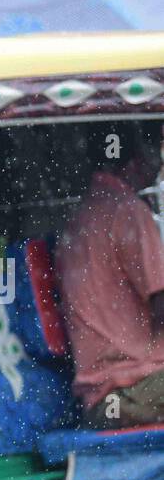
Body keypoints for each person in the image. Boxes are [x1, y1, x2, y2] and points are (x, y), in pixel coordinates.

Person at [56, 121, 164, 428]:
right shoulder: (128, 211)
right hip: (133, 390)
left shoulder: (81, 216)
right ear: (139, 159)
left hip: (103, 400)